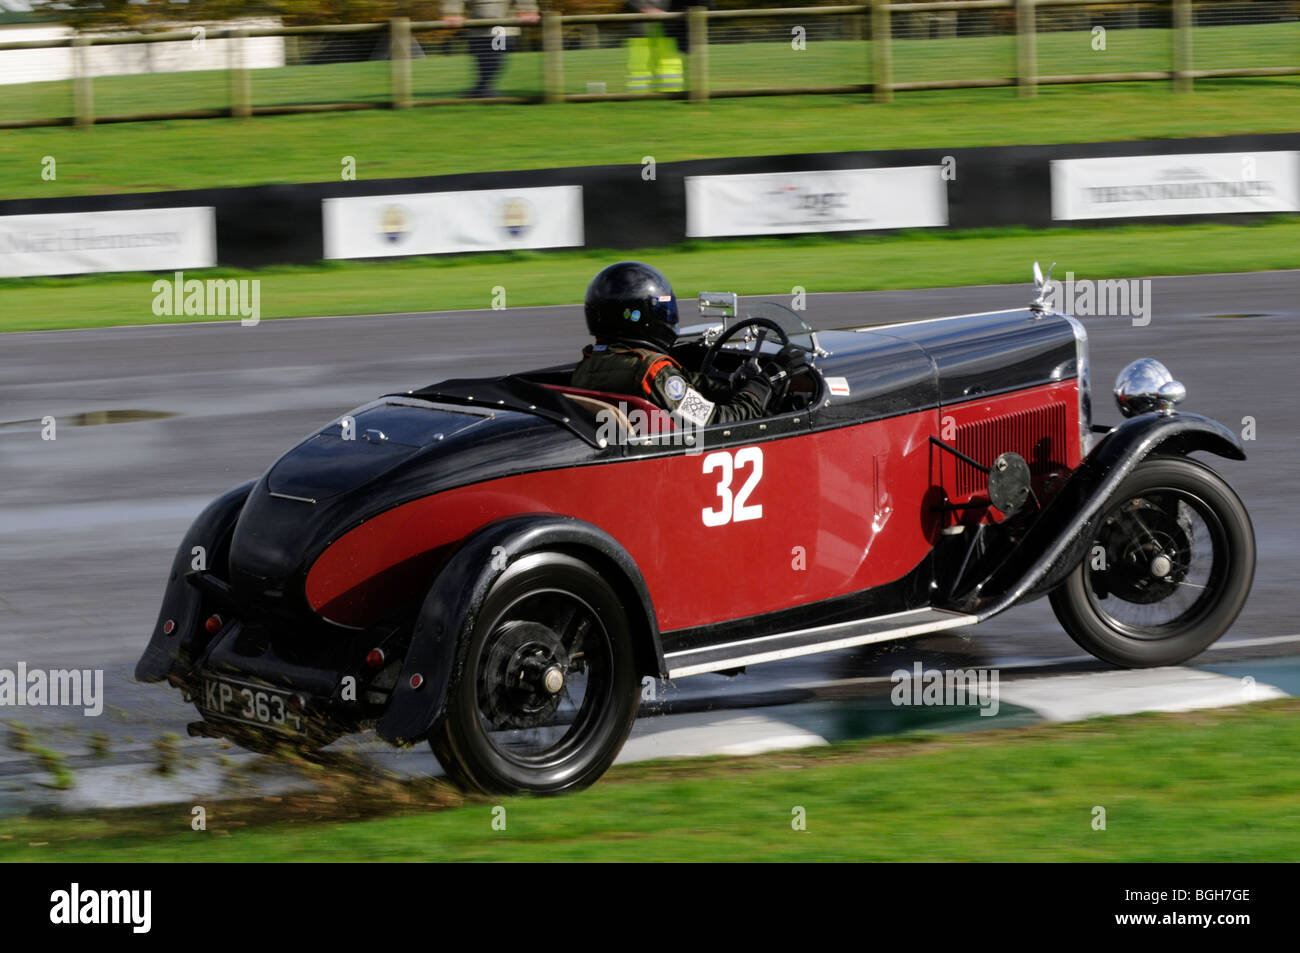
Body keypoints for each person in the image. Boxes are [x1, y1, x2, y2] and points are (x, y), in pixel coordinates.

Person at [572, 261, 790, 428]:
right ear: (638, 317)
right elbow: (718, 422)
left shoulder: (588, 365)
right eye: (661, 309)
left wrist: (731, 385)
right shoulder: (651, 371)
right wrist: (763, 385)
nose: (667, 316)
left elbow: (683, 382)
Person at [443, 0, 540, 98]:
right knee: (483, 62)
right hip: (478, 30)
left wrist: (528, 9)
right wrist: (452, 12)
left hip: (502, 28)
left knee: (494, 58)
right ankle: (481, 90)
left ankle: (483, 90)